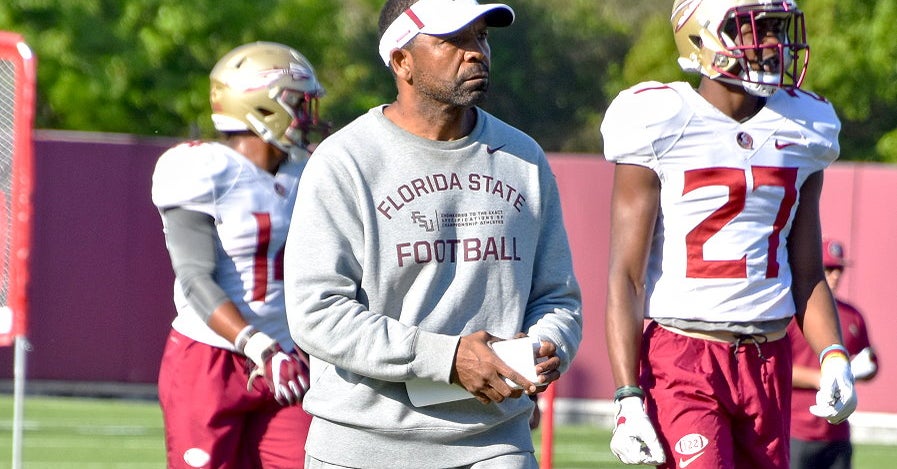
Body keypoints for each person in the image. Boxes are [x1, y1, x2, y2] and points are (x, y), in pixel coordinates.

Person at [282, 0, 583, 467]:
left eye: (481, 37)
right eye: (454, 40)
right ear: (402, 60)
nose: (476, 51)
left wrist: (546, 346)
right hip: (361, 445)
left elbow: (557, 298)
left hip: (495, 444)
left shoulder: (522, 157)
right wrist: (447, 359)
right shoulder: (344, 162)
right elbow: (317, 313)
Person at [600, 1, 857, 467]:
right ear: (701, 33)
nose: (774, 43)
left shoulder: (805, 127)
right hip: (684, 354)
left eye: (777, 28)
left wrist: (833, 354)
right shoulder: (657, 119)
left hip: (768, 358)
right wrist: (627, 395)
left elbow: (807, 272)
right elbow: (627, 277)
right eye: (754, 29)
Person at [151, 41, 329, 468]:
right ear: (260, 105)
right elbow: (194, 277)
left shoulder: (307, 171)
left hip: (286, 358)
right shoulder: (202, 169)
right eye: (296, 103)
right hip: (211, 358)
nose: (306, 116)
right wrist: (258, 346)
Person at [789, 238, 879, 469]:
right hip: (797, 430)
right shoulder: (793, 314)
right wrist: (820, 378)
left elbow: (870, 361)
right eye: (829, 269)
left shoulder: (853, 316)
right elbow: (776, 367)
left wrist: (860, 369)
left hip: (838, 432)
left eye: (839, 269)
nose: (835, 275)